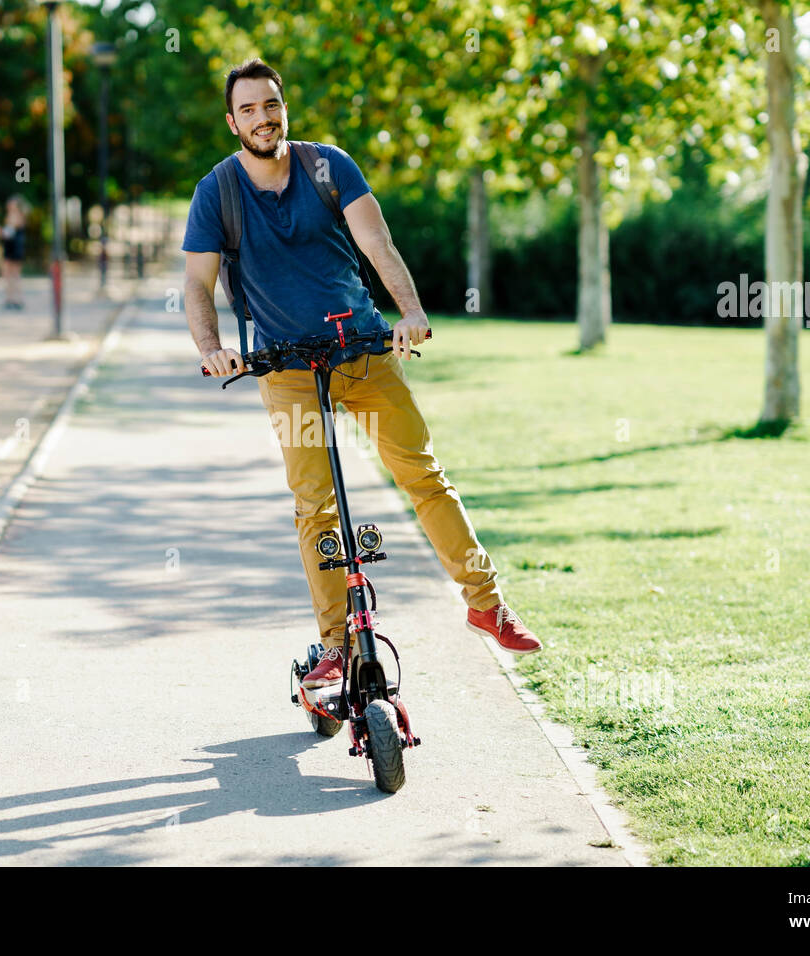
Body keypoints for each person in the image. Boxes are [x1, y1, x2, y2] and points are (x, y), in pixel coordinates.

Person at [182, 59, 541, 691]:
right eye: (248, 110)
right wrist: (213, 348)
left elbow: (378, 245)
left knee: (422, 474)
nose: (262, 119)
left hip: (364, 351)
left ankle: (486, 605)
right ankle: (334, 644)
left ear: (283, 107)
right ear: (231, 119)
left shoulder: (329, 166)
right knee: (314, 505)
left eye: (271, 105)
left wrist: (411, 312)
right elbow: (197, 283)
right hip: (287, 367)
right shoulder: (218, 191)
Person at [1, 195, 28, 310]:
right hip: (11, 247)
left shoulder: (17, 216)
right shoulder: (13, 216)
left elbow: (8, 232)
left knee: (14, 275)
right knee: (10, 275)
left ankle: (16, 299)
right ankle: (11, 298)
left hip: (14, 248)